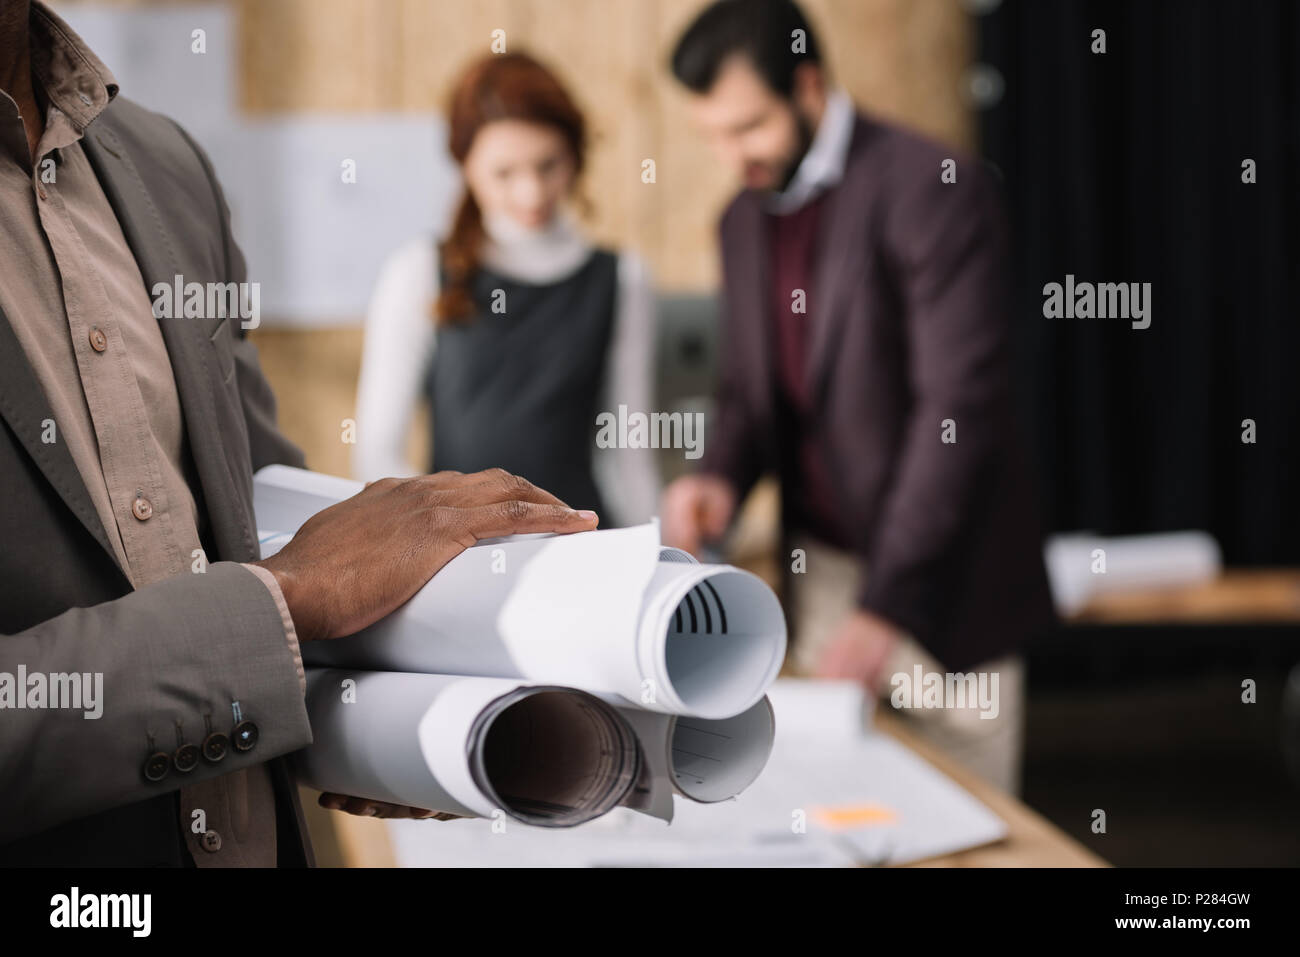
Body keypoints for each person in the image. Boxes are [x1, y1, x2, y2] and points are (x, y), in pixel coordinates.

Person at [0, 1, 599, 866]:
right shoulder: (418, 276)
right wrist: (282, 601)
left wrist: (412, 717)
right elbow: (295, 581)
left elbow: (254, 507)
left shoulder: (162, 168)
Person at [661, 0, 1056, 793]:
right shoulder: (740, 219)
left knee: (968, 828)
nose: (731, 155)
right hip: (826, 576)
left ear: (808, 86)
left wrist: (887, 606)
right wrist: (719, 478)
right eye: (711, 133)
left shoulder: (933, 187)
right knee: (839, 814)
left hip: (943, 586)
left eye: (748, 127)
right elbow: (749, 392)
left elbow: (959, 411)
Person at [354, 52, 660, 527]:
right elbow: (377, 452)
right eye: (504, 173)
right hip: (462, 557)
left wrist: (659, 559)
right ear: (465, 165)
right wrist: (448, 531)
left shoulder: (622, 278)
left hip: (586, 550)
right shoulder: (418, 271)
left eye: (548, 165)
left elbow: (629, 457)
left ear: (575, 155)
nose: (531, 194)